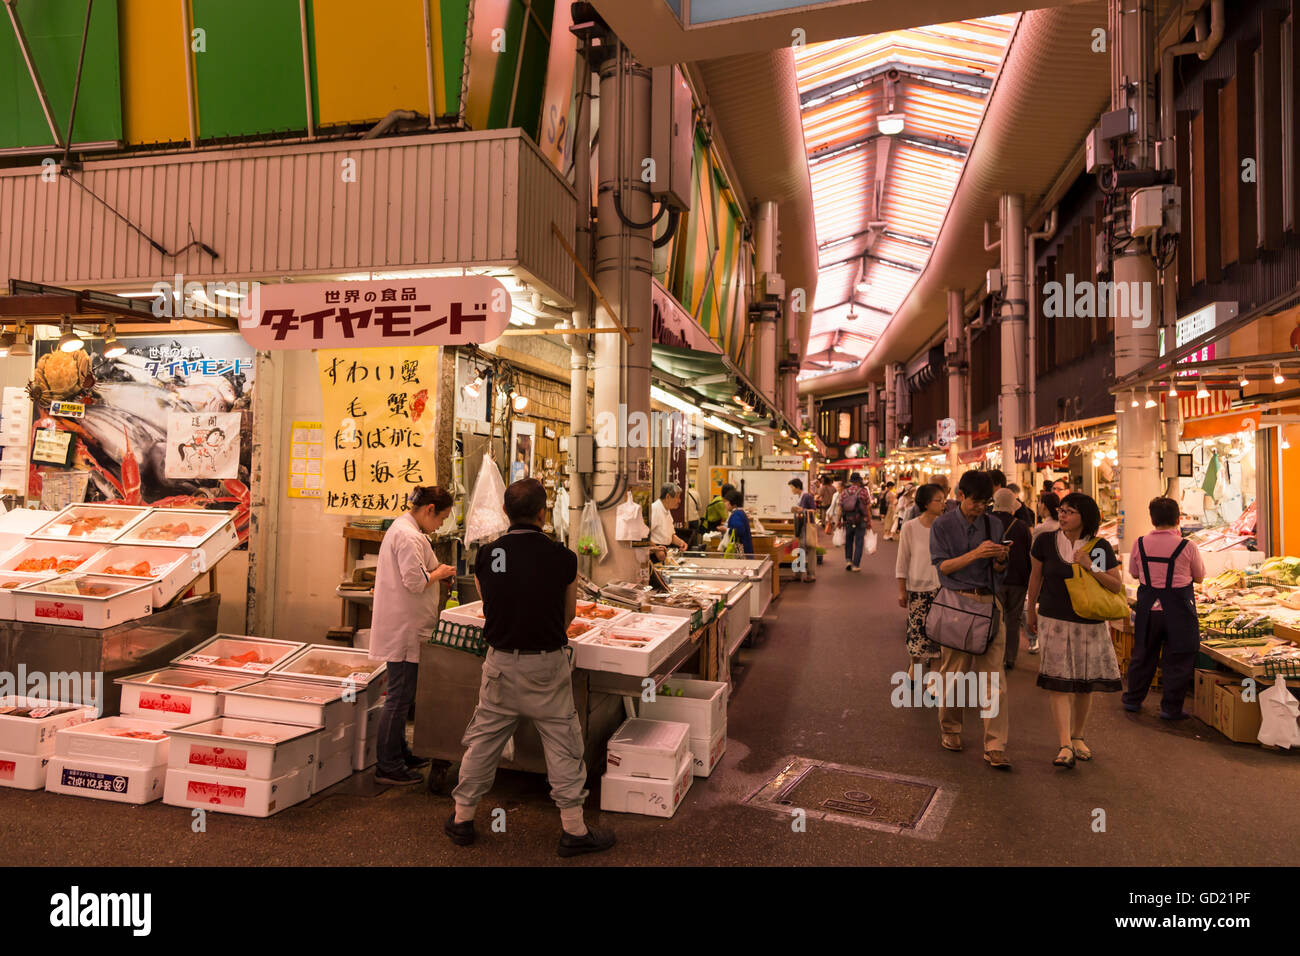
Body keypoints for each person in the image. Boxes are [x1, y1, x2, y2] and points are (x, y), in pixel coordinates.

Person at [446, 478, 615, 857]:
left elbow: (491, 604)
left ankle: (461, 819)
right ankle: (574, 830)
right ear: (543, 513)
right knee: (563, 746)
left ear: (506, 512)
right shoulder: (563, 556)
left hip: (501, 666)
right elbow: (570, 613)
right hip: (547, 668)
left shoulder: (488, 555)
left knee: (483, 744)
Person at [1025, 492, 1124, 769]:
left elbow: (1115, 586)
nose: (1063, 516)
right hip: (1053, 619)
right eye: (1062, 510)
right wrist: (1029, 608)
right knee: (1059, 681)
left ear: (1085, 517)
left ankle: (1078, 736)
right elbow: (1035, 576)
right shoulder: (1044, 541)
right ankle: (1064, 743)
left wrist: (1090, 566)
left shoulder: (1099, 547)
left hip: (1089, 623)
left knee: (1084, 682)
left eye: (1070, 512)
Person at [369, 485, 457, 786]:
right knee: (398, 697)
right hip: (404, 628)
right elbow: (414, 581)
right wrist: (440, 575)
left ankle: (400, 752)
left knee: (403, 696)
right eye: (442, 518)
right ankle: (387, 764)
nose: (441, 525)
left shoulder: (408, 530)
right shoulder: (407, 535)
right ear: (429, 509)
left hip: (407, 624)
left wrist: (438, 571)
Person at [929, 469, 1011, 769]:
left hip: (989, 603)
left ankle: (996, 745)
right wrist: (976, 554)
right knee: (954, 674)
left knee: (994, 679)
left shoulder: (994, 523)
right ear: (960, 495)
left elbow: (1001, 569)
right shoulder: (942, 525)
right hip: (956, 604)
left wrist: (1001, 558)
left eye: (985, 503)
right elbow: (943, 568)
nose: (980, 508)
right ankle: (950, 729)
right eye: (975, 502)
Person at [1123, 496, 1205, 719]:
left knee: (1143, 654)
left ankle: (1133, 700)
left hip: (1148, 610)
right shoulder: (1188, 546)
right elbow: (1199, 577)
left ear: (1152, 519)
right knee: (1178, 658)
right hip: (1178, 610)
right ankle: (1171, 708)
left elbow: (1134, 573)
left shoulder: (1139, 543)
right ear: (1178, 519)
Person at [897, 483, 944, 677]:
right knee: (917, 631)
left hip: (942, 589)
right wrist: (901, 590)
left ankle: (933, 678)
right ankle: (914, 663)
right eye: (938, 500)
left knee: (938, 635)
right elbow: (902, 560)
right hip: (918, 588)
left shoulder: (945, 527)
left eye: (944, 500)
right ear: (925, 503)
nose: (943, 504)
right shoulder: (910, 527)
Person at [992, 487, 1032, 671]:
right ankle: (1010, 658)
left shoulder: (988, 523)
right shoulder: (1022, 526)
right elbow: (1027, 554)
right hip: (1018, 579)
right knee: (1013, 620)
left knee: (995, 618)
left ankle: (995, 656)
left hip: (995, 579)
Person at [840, 473, 871, 571]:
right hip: (860, 520)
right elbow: (868, 507)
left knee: (848, 541)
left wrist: (838, 521)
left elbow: (840, 508)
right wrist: (869, 521)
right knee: (859, 542)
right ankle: (855, 565)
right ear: (859, 481)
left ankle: (848, 560)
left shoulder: (844, 492)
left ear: (851, 481)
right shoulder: (863, 491)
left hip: (848, 520)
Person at [789, 477, 818, 583]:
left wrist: (802, 510)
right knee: (802, 549)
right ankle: (800, 573)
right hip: (802, 527)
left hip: (807, 527)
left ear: (797, 487)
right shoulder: (800, 497)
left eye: (792, 487)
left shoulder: (806, 496)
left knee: (808, 549)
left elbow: (813, 510)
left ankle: (810, 574)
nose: (791, 490)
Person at [649, 482, 687, 550]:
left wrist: (681, 543)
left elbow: (670, 536)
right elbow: (643, 535)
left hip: (664, 550)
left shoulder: (667, 510)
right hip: (654, 551)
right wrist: (656, 549)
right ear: (668, 497)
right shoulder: (654, 509)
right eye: (677, 497)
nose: (679, 501)